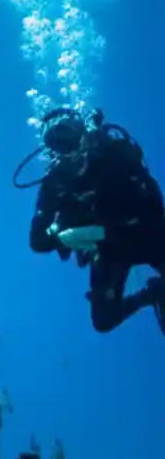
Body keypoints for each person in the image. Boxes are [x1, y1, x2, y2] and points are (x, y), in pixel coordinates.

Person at [24, 108, 165, 334]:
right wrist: (64, 238)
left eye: (69, 138)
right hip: (110, 251)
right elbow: (37, 242)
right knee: (103, 320)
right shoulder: (54, 184)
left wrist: (100, 231)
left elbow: (155, 208)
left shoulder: (115, 155)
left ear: (83, 134)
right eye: (57, 145)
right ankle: (152, 294)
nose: (67, 151)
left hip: (145, 235)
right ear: (49, 150)